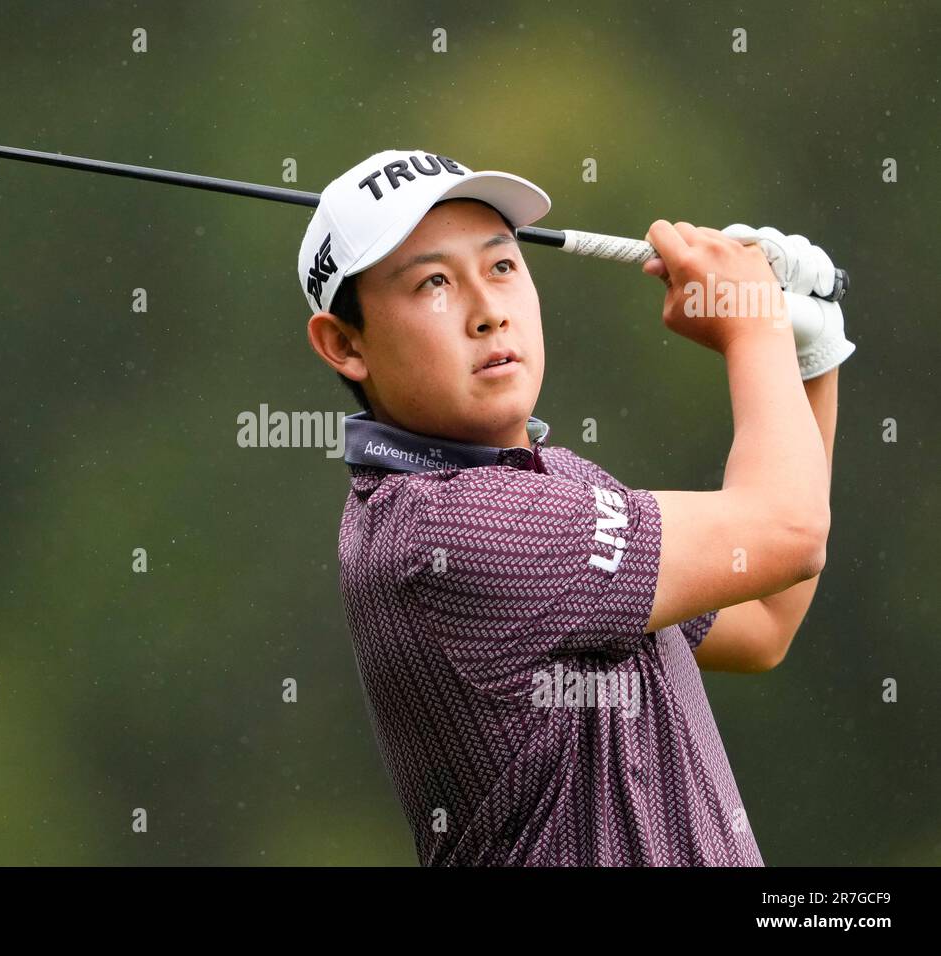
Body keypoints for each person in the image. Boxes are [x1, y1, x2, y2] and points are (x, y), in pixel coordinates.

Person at [298, 149, 853, 866]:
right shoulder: (448, 530)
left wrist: (808, 359)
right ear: (345, 344)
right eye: (434, 283)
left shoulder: (553, 481)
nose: (487, 312)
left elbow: (763, 619)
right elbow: (788, 530)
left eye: (501, 267)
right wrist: (753, 328)